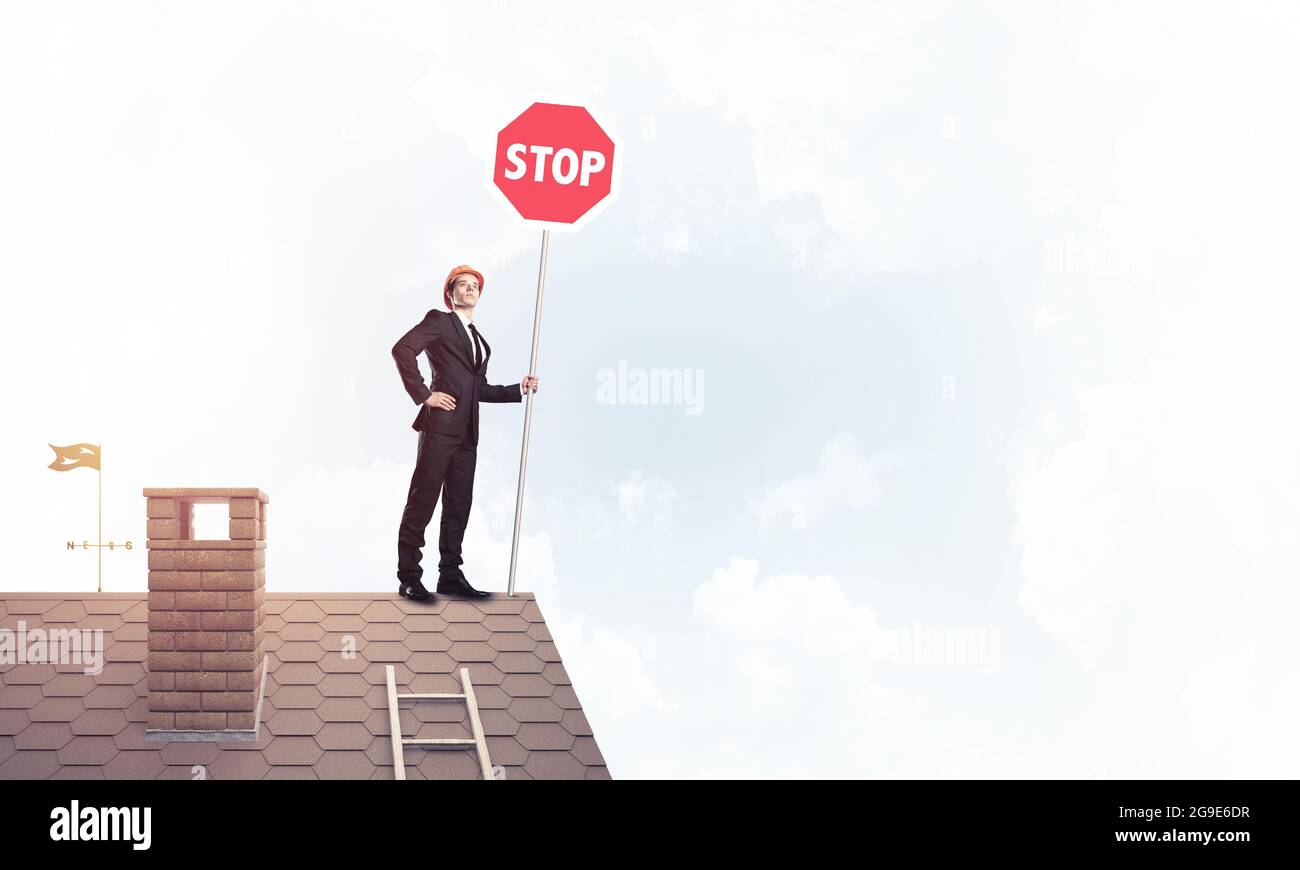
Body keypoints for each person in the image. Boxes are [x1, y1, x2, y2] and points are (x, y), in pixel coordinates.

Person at [390, 264, 539, 602]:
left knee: (459, 505)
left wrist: (519, 388)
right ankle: (410, 576)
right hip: (439, 428)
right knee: (423, 501)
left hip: (468, 434)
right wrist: (424, 394)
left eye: (475, 285)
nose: (470, 288)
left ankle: (450, 577)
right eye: (463, 284)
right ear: (451, 293)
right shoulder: (439, 321)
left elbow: (478, 389)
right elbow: (402, 350)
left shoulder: (479, 340)